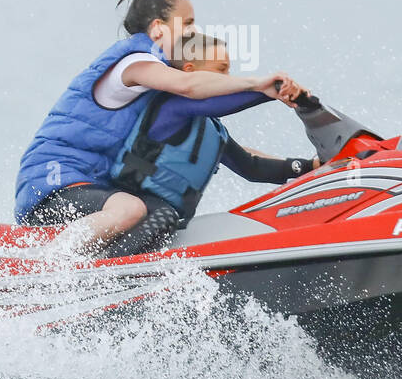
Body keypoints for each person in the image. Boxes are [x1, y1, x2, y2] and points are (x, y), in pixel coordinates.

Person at [15, 0, 305, 255]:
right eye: (188, 23)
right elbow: (188, 86)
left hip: (94, 191)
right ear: (157, 29)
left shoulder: (163, 92)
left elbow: (245, 158)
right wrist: (259, 85)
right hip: (52, 184)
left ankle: (116, 279)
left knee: (159, 215)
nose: (195, 32)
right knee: (131, 208)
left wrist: (313, 166)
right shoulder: (136, 63)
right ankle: (47, 268)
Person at [108, 33, 318, 244]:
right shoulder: (170, 107)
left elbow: (251, 167)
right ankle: (106, 273)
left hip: (166, 224)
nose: (228, 78)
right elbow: (212, 103)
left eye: (228, 70)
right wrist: (268, 91)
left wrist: (312, 166)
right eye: (220, 69)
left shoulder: (212, 131)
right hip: (130, 208)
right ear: (190, 72)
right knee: (165, 216)